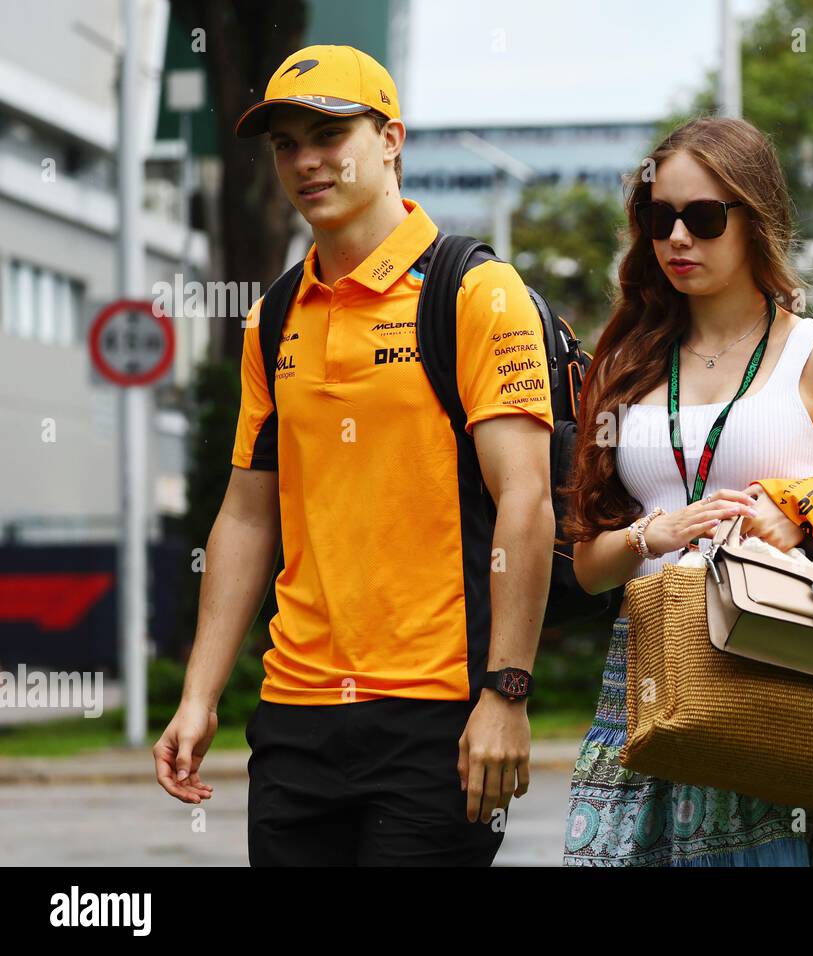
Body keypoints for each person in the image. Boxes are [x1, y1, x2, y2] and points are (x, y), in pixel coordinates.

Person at [151, 45, 556, 866]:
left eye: (329, 135)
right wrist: (199, 696)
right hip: (295, 716)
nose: (307, 161)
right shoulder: (273, 316)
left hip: (436, 712)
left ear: (391, 139)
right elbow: (245, 512)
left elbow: (527, 502)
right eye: (287, 144)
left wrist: (507, 693)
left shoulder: (477, 293)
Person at [559, 115, 813, 866]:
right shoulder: (625, 363)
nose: (678, 240)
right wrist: (647, 536)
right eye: (659, 218)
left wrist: (804, 527)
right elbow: (586, 567)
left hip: (776, 664)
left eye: (703, 217)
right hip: (647, 674)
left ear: (754, 219)